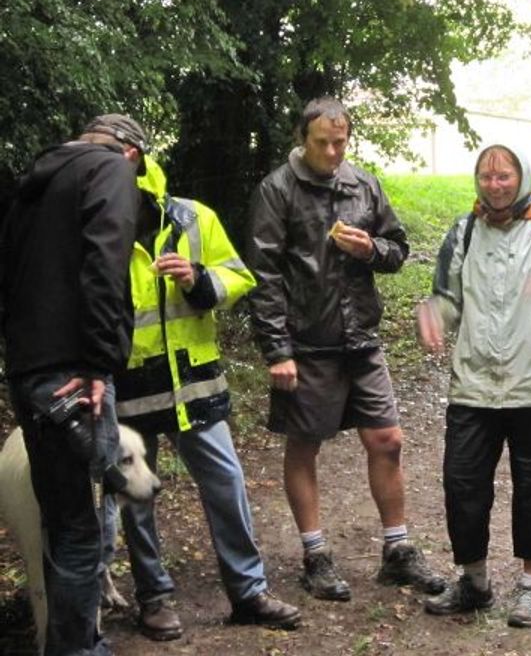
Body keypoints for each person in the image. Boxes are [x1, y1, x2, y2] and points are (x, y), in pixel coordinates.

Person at [245, 96, 444, 601]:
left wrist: (370, 249)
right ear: (301, 138)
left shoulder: (363, 184)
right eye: (323, 143)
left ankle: (397, 550)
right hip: (306, 343)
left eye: (341, 142)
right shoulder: (277, 190)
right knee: (304, 444)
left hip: (362, 340)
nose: (334, 152)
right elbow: (263, 275)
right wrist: (277, 350)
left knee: (388, 440)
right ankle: (315, 554)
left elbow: (397, 251)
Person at [109, 154, 300, 639]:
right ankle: (153, 599)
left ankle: (249, 592)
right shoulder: (98, 227)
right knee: (137, 498)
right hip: (129, 388)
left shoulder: (194, 219)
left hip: (194, 386)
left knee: (226, 484)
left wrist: (196, 279)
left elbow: (240, 277)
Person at [0, 114, 142, 656]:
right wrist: (99, 364)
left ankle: (68, 643)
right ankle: (78, 649)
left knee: (62, 526)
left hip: (30, 374)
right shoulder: (109, 171)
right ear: (130, 151)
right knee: (84, 531)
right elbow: (105, 264)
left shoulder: (31, 188)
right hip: (74, 377)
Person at [415, 144, 531, 627]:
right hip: (474, 383)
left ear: (521, 176)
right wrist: (433, 315)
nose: (494, 184)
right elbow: (447, 296)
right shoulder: (463, 230)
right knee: (462, 483)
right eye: (486, 176)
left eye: (504, 176)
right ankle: (474, 582)